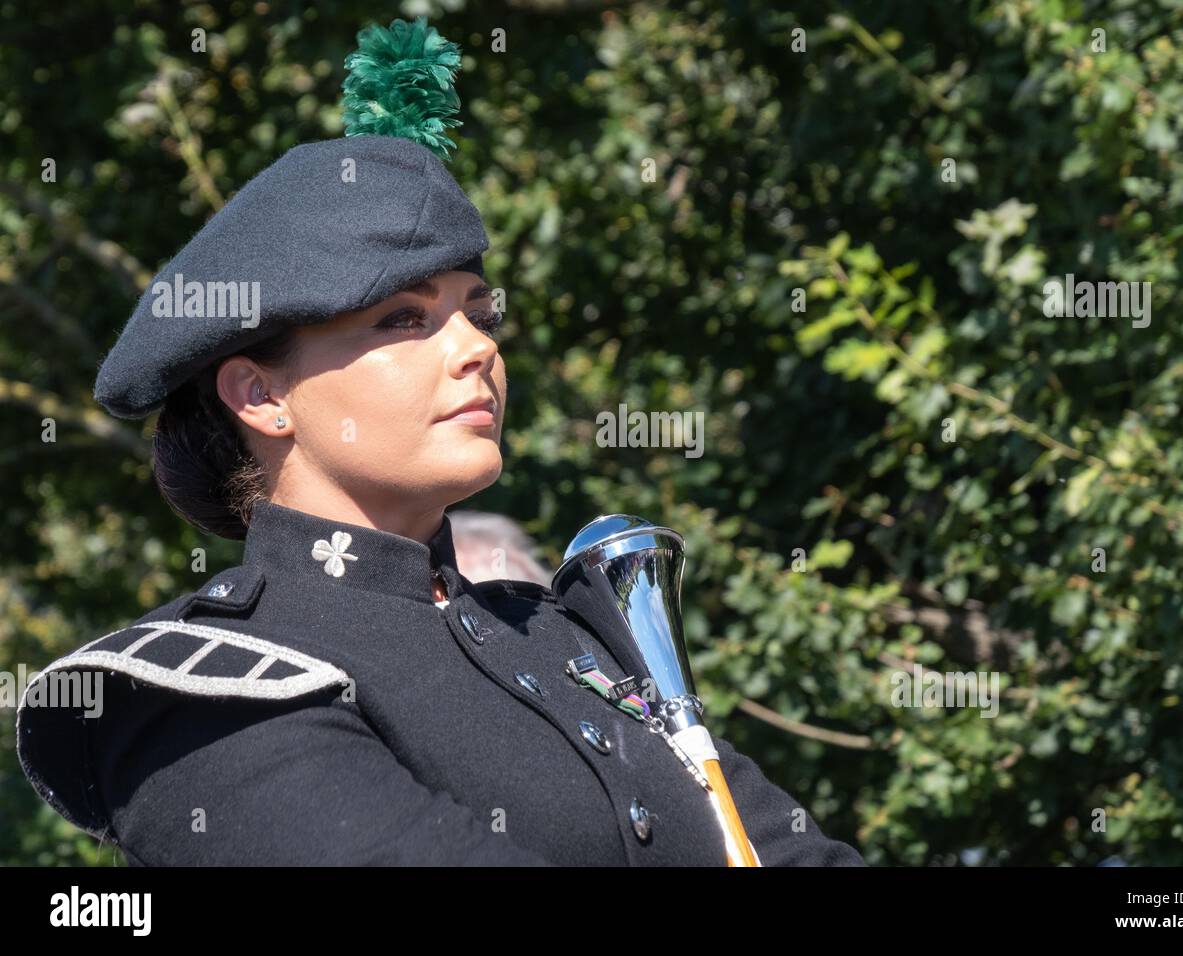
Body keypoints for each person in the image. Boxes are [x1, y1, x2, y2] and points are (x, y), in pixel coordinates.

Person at [15, 17, 866, 867]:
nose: (479, 349)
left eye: (479, 314)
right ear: (262, 394)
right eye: (404, 318)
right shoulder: (199, 689)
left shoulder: (569, 638)